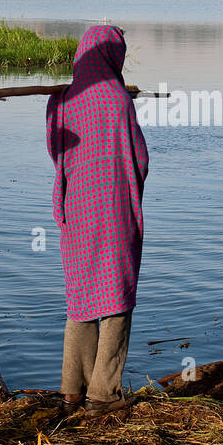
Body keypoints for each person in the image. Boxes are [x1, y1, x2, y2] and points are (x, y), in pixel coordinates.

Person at [47, 24, 149, 417]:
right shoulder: (119, 101)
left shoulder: (60, 102)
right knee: (117, 297)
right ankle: (104, 394)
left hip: (75, 210)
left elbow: (57, 152)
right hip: (114, 213)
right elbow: (138, 159)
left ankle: (72, 389)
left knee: (82, 296)